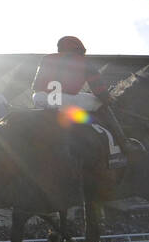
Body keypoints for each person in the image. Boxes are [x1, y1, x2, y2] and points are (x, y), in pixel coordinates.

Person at [31, 36, 139, 167]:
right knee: (100, 104)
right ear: (79, 48)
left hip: (39, 98)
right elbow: (99, 91)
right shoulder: (84, 62)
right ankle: (124, 143)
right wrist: (108, 99)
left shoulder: (47, 58)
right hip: (59, 99)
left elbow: (35, 86)